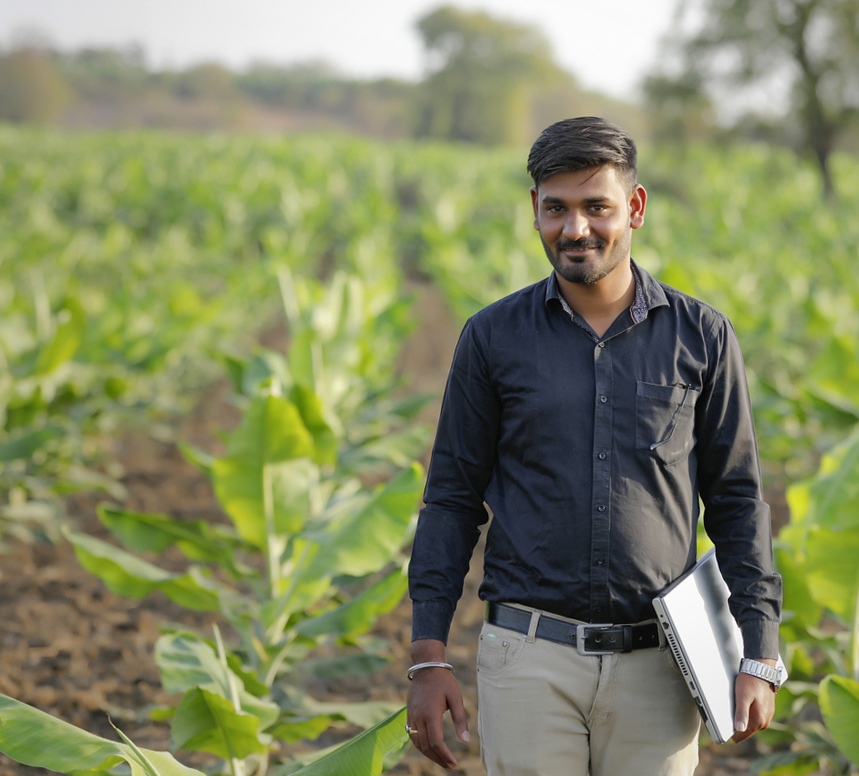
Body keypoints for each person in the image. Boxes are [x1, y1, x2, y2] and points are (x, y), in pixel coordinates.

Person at [405, 116, 782, 775]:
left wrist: (759, 650)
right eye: (556, 208)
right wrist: (427, 655)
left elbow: (736, 500)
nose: (575, 228)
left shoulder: (702, 337)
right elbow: (452, 499)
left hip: (659, 668)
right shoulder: (492, 337)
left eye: (596, 207)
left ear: (634, 207)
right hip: (528, 660)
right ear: (534, 209)